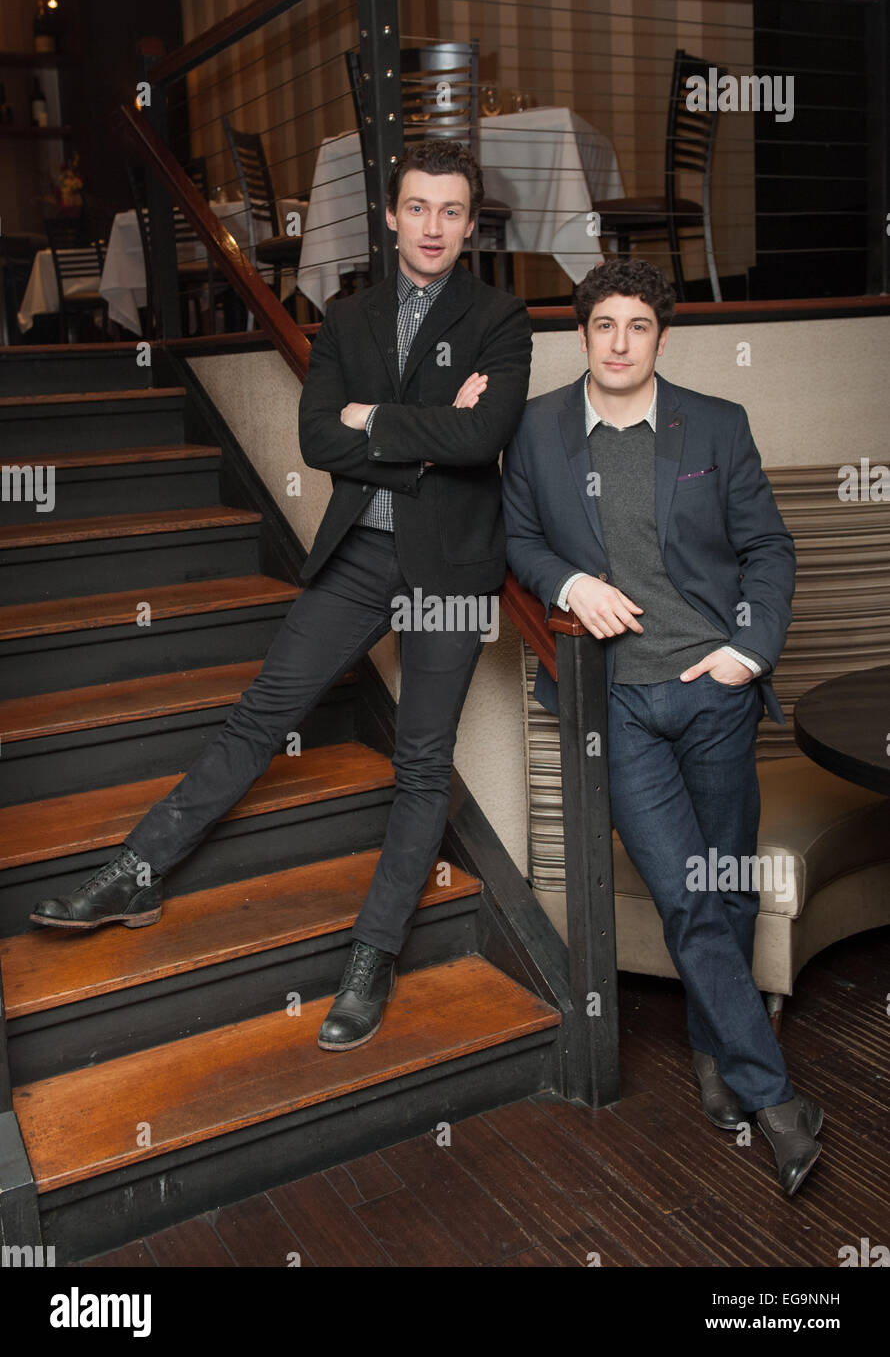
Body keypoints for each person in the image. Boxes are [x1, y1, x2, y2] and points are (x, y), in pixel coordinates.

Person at [31, 139, 533, 1052]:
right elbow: (317, 441)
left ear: (470, 223)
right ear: (389, 214)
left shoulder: (502, 318)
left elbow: (482, 435)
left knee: (422, 764)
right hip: (359, 557)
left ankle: (372, 957)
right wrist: (427, 429)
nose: (433, 227)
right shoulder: (346, 317)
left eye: (452, 211)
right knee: (261, 714)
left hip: (451, 571)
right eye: (417, 207)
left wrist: (375, 421)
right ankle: (138, 870)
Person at [500, 258, 822, 1196]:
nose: (620, 342)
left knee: (724, 886)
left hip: (714, 688)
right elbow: (518, 539)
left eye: (638, 326)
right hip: (618, 704)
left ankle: (716, 1050)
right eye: (604, 325)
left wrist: (746, 655)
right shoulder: (540, 429)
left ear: (660, 337)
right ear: (583, 333)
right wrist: (568, 584)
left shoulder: (716, 426)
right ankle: (778, 1101)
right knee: (687, 891)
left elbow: (769, 548)